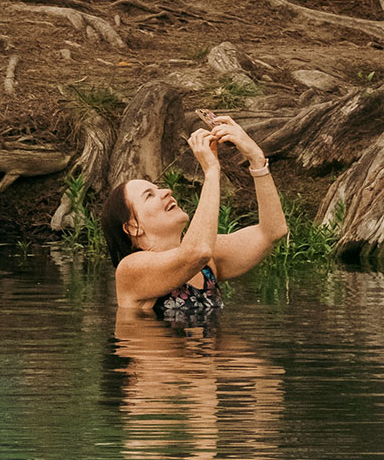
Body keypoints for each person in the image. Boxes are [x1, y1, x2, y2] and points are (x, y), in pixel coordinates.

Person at [100, 114, 288, 321]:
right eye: (149, 195)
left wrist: (256, 159)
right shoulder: (130, 269)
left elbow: (272, 231)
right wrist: (211, 171)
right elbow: (196, 252)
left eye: (159, 188)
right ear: (133, 227)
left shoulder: (208, 257)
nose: (166, 191)